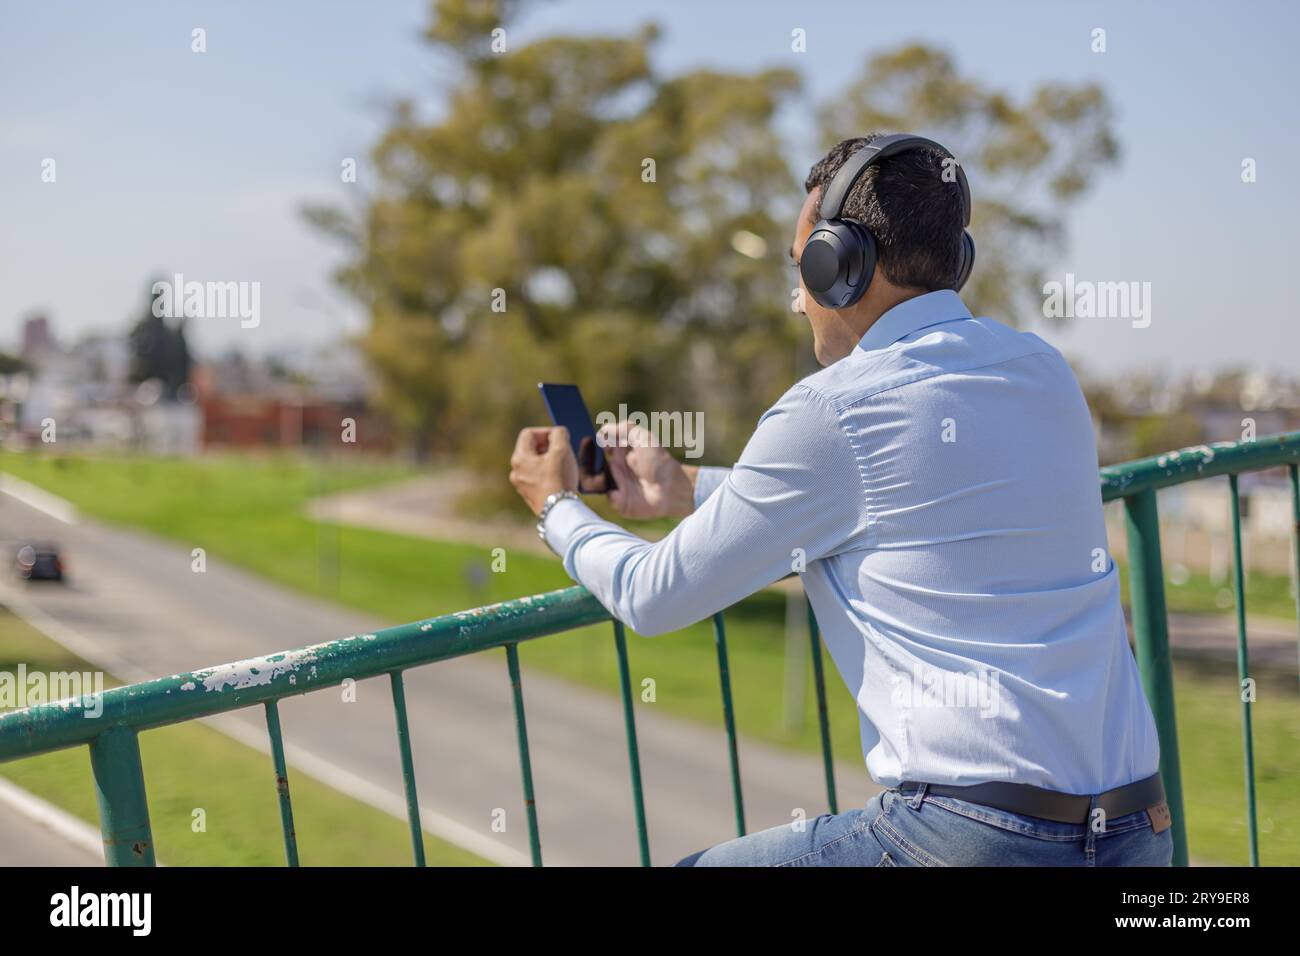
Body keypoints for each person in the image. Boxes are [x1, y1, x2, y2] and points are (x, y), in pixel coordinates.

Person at [508, 133, 1171, 867]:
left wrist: (555, 509)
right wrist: (689, 487)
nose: (799, 299)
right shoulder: (1043, 370)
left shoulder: (835, 409)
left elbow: (651, 595)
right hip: (1138, 827)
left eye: (802, 269)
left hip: (975, 839)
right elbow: (904, 505)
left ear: (841, 265)